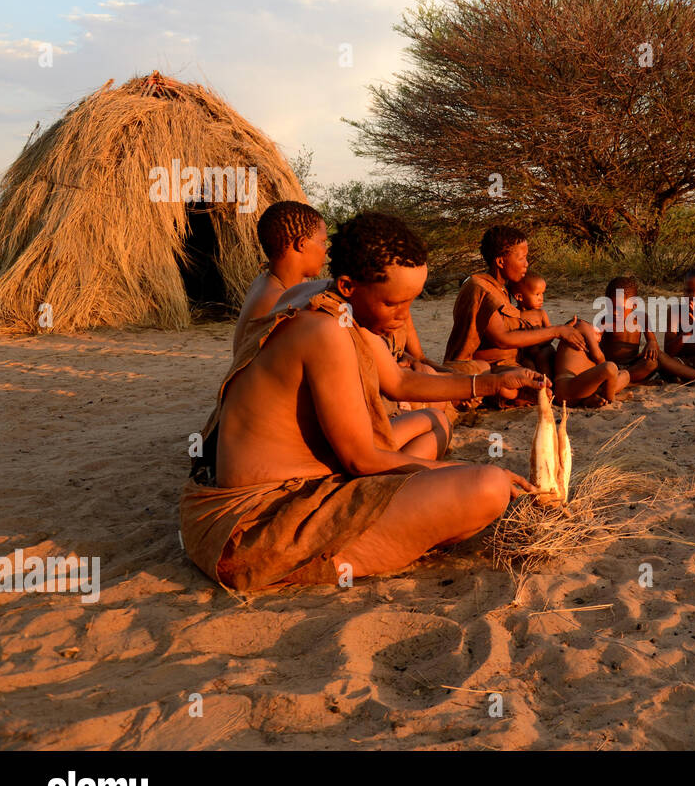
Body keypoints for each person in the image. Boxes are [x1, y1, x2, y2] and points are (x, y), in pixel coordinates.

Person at [179, 212, 546, 591]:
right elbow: (362, 460)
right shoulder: (324, 331)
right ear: (348, 285)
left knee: (433, 424)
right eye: (393, 305)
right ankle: (326, 557)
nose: (403, 317)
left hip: (304, 484)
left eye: (410, 303)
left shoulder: (322, 299)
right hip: (261, 522)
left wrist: (490, 384)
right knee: (487, 486)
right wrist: (466, 473)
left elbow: (399, 381)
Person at [444, 226, 586, 398]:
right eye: (521, 258)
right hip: (483, 367)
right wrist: (556, 331)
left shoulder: (502, 290)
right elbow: (503, 339)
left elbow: (517, 325)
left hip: (510, 363)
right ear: (501, 261)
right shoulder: (479, 288)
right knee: (517, 388)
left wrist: (558, 331)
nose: (526, 264)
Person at [232, 201, 327, 354]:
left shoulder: (269, 279)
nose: (326, 250)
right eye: (323, 242)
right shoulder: (277, 300)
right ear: (301, 244)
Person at [598, 275, 663, 384]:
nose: (614, 312)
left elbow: (653, 342)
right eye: (610, 307)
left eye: (619, 309)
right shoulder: (606, 321)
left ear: (634, 305)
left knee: (652, 363)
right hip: (611, 365)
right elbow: (594, 343)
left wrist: (651, 343)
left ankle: (621, 380)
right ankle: (632, 382)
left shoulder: (642, 318)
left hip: (632, 364)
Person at [553, 317, 630, 406]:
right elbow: (599, 357)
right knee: (610, 367)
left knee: (625, 375)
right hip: (567, 388)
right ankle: (610, 399)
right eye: (598, 333)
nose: (600, 338)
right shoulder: (582, 325)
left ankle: (589, 398)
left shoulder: (584, 346)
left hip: (581, 390)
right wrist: (610, 374)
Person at [513, 272, 557, 376]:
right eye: (537, 294)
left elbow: (551, 335)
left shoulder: (540, 314)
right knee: (527, 365)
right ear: (519, 297)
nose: (541, 298)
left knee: (543, 358)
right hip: (526, 354)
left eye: (542, 293)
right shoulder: (515, 315)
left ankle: (548, 383)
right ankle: (536, 387)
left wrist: (537, 343)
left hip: (543, 348)